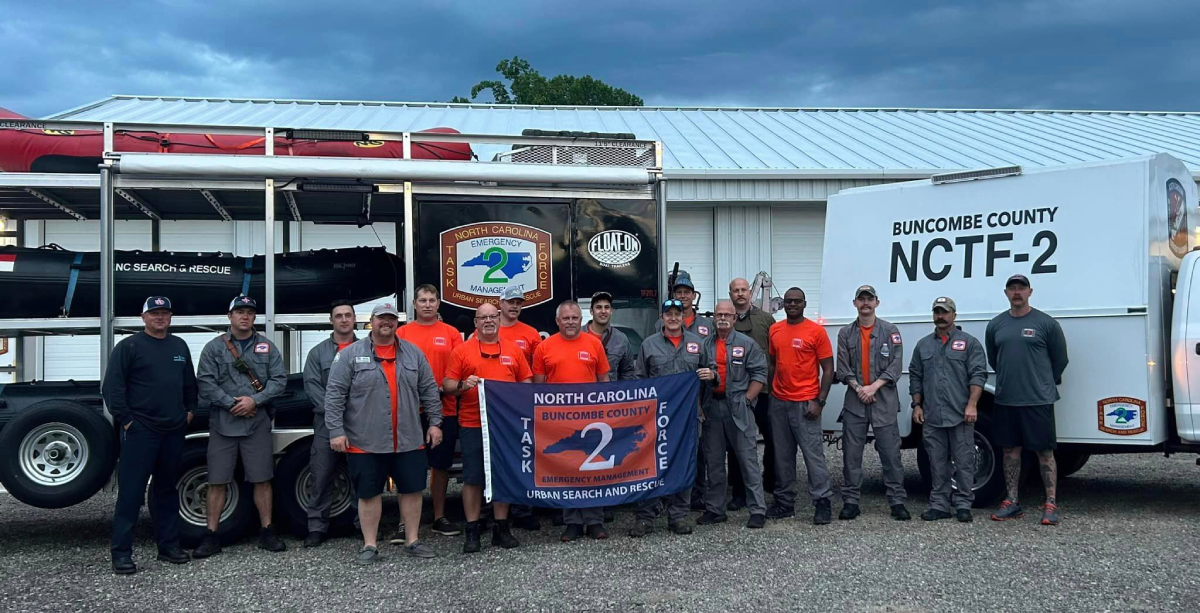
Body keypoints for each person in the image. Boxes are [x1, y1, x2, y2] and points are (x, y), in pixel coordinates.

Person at [323, 303, 444, 564]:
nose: (386, 323)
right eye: (381, 319)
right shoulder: (350, 355)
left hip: (409, 438)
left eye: (391, 319)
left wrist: (435, 423)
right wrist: (336, 431)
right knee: (368, 493)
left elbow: (430, 391)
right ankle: (370, 545)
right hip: (365, 440)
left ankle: (412, 540)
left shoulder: (414, 354)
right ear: (371, 322)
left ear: (396, 323)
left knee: (412, 491)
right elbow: (334, 396)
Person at [103, 296, 197, 574]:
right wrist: (129, 422)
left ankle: (168, 547)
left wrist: (189, 412)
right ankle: (121, 553)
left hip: (173, 431)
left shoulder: (179, 345)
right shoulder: (129, 346)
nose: (160, 317)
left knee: (167, 490)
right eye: (154, 313)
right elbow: (112, 389)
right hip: (141, 432)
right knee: (131, 493)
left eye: (165, 313)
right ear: (143, 317)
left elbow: (189, 384)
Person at [194, 295, 288, 558]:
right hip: (224, 424)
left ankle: (267, 531)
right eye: (239, 312)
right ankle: (211, 535)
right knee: (217, 481)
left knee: (262, 479)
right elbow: (205, 382)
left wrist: (254, 401)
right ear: (230, 317)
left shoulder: (267, 348)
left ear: (254, 317)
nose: (244, 316)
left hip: (256, 423)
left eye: (249, 312)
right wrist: (230, 403)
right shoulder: (214, 348)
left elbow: (279, 381)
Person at [444, 302, 531, 553]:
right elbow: (448, 384)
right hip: (472, 423)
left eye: (493, 316)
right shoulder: (462, 351)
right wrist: (462, 384)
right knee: (472, 478)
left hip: (504, 425)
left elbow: (525, 382)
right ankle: (472, 529)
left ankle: (501, 528)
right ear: (476, 323)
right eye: (483, 318)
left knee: (502, 475)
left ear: (499, 319)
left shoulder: (514, 350)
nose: (489, 321)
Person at [986, 274, 1069, 525]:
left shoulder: (1046, 324)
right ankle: (1012, 501)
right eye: (1012, 288)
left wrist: (1042, 382)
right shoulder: (996, 325)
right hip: (1006, 400)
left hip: (1038, 400)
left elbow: (1060, 359)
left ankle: (1050, 504)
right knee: (1010, 452)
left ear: (1030, 292)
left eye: (1022, 288)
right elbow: (994, 360)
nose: (1017, 292)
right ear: (1006, 293)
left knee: (1045, 453)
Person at [630, 299, 718, 537]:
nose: (672, 318)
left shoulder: (697, 343)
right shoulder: (649, 345)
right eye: (668, 314)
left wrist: (711, 374)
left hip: (688, 417)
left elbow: (713, 371)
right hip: (655, 419)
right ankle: (646, 517)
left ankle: (678, 516)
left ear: (682, 316)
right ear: (662, 317)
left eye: (676, 314)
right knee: (650, 465)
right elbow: (639, 379)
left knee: (683, 465)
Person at [533, 300, 612, 542]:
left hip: (591, 420)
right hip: (559, 422)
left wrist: (608, 411)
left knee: (592, 470)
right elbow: (537, 387)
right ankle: (572, 523)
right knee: (567, 471)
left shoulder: (594, 344)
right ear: (557, 321)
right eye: (565, 318)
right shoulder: (544, 348)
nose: (570, 322)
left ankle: (594, 521)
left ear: (581, 319)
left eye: (574, 318)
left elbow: (604, 381)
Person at [834, 285, 910, 521]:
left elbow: (896, 365)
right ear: (854, 303)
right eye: (861, 299)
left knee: (890, 454)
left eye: (869, 299)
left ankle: (897, 501)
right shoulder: (845, 333)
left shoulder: (890, 331)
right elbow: (843, 369)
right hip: (855, 402)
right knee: (851, 455)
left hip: (883, 401)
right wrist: (859, 388)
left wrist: (873, 387)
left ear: (877, 302)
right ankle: (850, 501)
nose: (865, 303)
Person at [910, 297, 988, 522]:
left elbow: (978, 375)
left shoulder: (969, 343)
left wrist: (972, 404)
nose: (940, 316)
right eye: (937, 312)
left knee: (964, 462)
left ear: (954, 315)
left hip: (960, 416)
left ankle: (963, 504)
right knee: (936, 462)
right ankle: (939, 505)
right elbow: (915, 375)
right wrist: (917, 405)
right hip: (932, 416)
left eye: (945, 312)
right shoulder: (923, 345)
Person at [396, 285, 464, 542]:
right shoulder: (402, 333)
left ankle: (439, 517)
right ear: (414, 304)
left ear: (438, 304)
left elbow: (459, 367)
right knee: (406, 465)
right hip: (409, 411)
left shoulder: (451, 334)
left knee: (440, 466)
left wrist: (444, 388)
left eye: (431, 300)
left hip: (444, 409)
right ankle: (404, 523)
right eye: (422, 300)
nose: (427, 304)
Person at [766, 287, 835, 525]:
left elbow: (828, 368)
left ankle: (822, 502)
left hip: (806, 403)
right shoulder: (775, 330)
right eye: (788, 301)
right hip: (779, 402)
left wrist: (820, 401)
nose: (792, 304)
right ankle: (784, 503)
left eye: (797, 301)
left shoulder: (816, 331)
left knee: (813, 456)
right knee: (782, 457)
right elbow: (773, 365)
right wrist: (770, 394)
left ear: (804, 304)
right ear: (783, 305)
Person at [698, 300, 769, 529]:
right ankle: (715, 509)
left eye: (728, 315)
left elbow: (760, 374)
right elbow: (695, 377)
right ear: (713, 317)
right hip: (713, 408)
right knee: (714, 462)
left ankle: (757, 509)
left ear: (735, 318)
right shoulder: (704, 345)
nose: (723, 318)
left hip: (739, 407)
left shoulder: (747, 344)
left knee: (748, 460)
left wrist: (748, 399)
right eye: (719, 314)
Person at [300, 300, 359, 548]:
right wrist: (335, 414)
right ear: (331, 321)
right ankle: (316, 527)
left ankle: (362, 525)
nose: (344, 320)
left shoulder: (369, 348)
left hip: (360, 424)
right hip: (326, 425)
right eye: (339, 316)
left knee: (361, 477)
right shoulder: (318, 353)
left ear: (355, 319)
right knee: (321, 475)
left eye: (348, 315)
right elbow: (312, 387)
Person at [496, 285, 544, 530]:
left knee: (524, 455)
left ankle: (523, 509)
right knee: (494, 458)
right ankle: (490, 511)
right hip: (495, 407)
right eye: (510, 302)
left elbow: (537, 371)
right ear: (500, 303)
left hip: (522, 404)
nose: (514, 306)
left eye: (518, 303)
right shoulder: (487, 330)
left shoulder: (531, 334)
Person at [729, 277, 777, 509]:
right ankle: (738, 491)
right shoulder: (725, 321)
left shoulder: (766, 319)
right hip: (736, 393)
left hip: (765, 391)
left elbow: (776, 355)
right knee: (736, 443)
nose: (740, 294)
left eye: (743, 290)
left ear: (750, 293)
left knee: (772, 439)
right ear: (730, 295)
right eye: (735, 290)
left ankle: (771, 483)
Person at [587, 291, 636, 382]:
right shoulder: (578, 335)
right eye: (598, 307)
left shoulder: (621, 339)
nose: (603, 311)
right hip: (582, 394)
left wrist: (621, 392)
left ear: (611, 311)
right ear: (591, 311)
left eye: (607, 307)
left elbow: (627, 372)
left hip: (610, 394)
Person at [656, 270, 714, 338]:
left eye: (687, 292)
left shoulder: (707, 325)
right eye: (679, 292)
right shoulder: (661, 323)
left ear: (694, 295)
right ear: (674, 295)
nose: (683, 296)